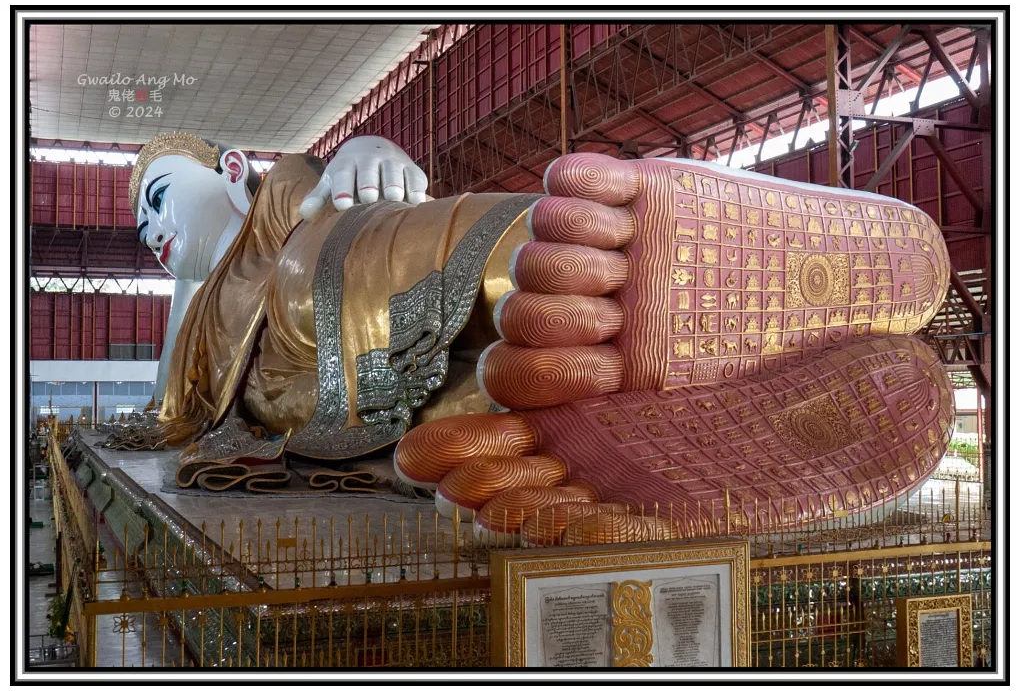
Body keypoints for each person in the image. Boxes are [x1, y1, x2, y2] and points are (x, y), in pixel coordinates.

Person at [127, 133, 954, 542]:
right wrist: (185, 299)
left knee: (361, 276)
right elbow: (172, 406)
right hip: (319, 408)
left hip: (324, 265)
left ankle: (604, 261)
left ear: (228, 169)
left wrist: (365, 149)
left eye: (159, 199)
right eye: (141, 232)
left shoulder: (275, 200)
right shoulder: (203, 323)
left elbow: (320, 186)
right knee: (475, 411)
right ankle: (615, 398)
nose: (153, 233)